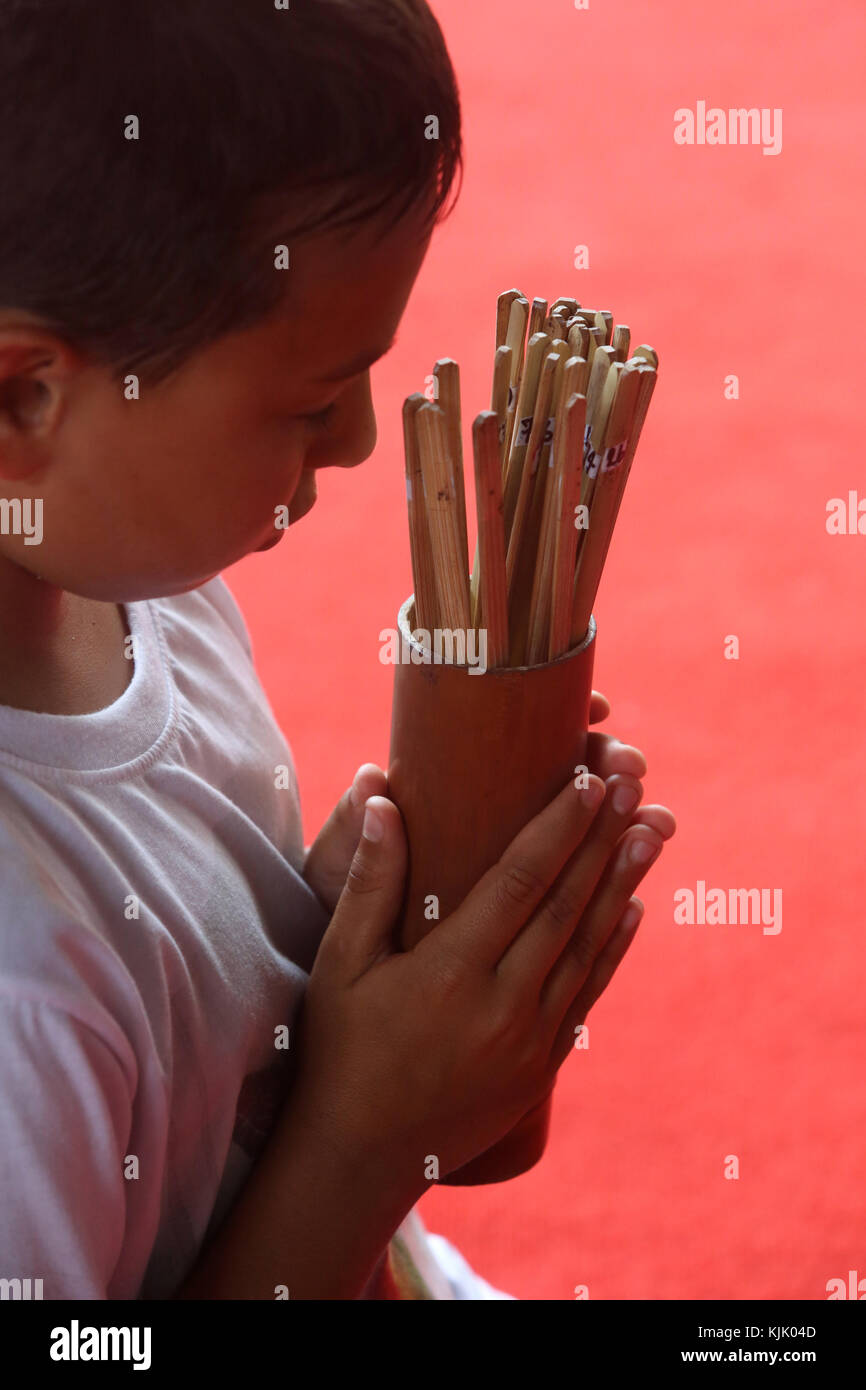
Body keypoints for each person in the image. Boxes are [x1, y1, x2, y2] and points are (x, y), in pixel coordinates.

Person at [0, 0, 674, 1300]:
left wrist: (338, 939)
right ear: (24, 398)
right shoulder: (21, 999)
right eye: (311, 398)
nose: (365, 441)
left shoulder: (137, 576)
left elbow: (192, 1031)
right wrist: (368, 1137)